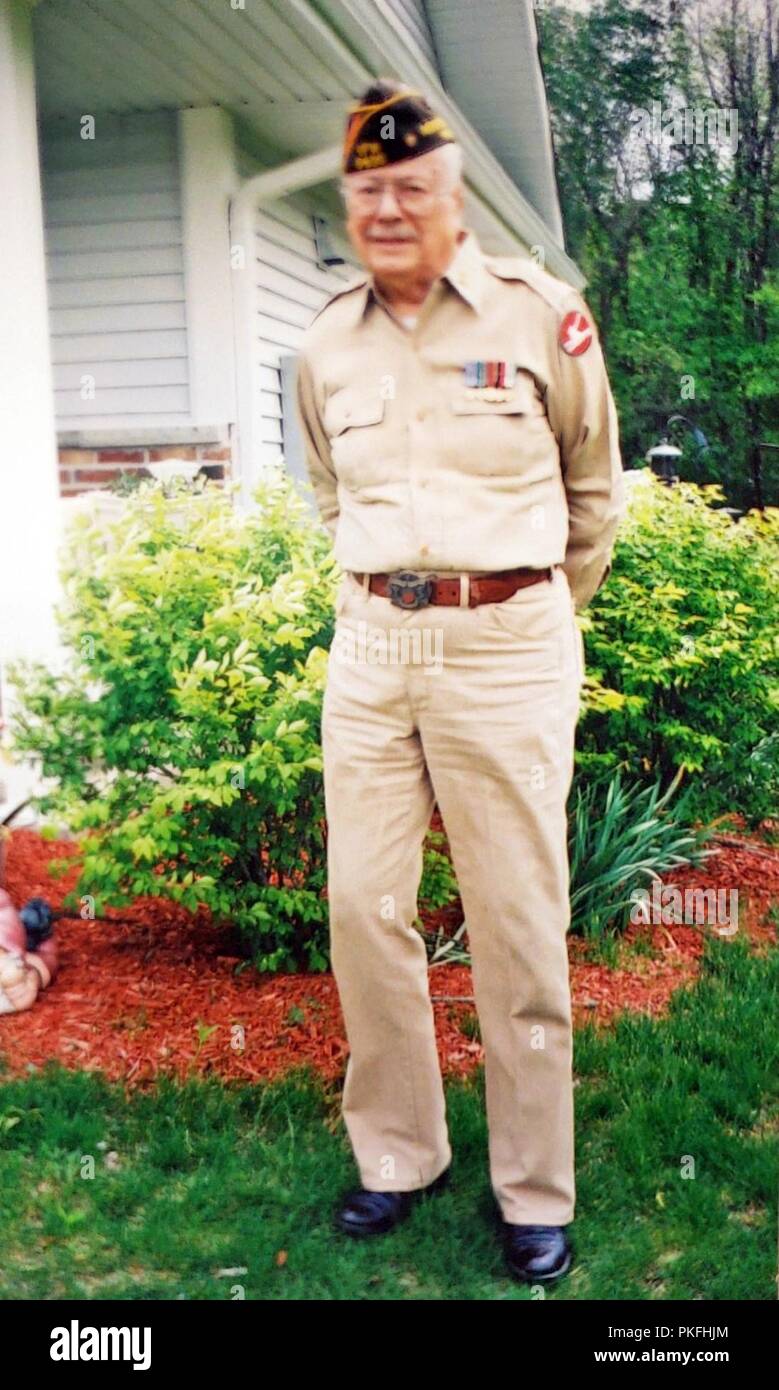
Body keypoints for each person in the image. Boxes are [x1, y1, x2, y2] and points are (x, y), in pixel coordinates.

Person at [295, 77, 626, 1284]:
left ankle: (533, 1186)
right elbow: (334, 492)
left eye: (412, 187)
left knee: (516, 924)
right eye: (369, 189)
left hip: (504, 646)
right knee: (362, 911)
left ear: (452, 196)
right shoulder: (324, 341)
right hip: (372, 651)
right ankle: (399, 1155)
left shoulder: (543, 315)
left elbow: (592, 495)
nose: (390, 207)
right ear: (350, 199)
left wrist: (526, 619)